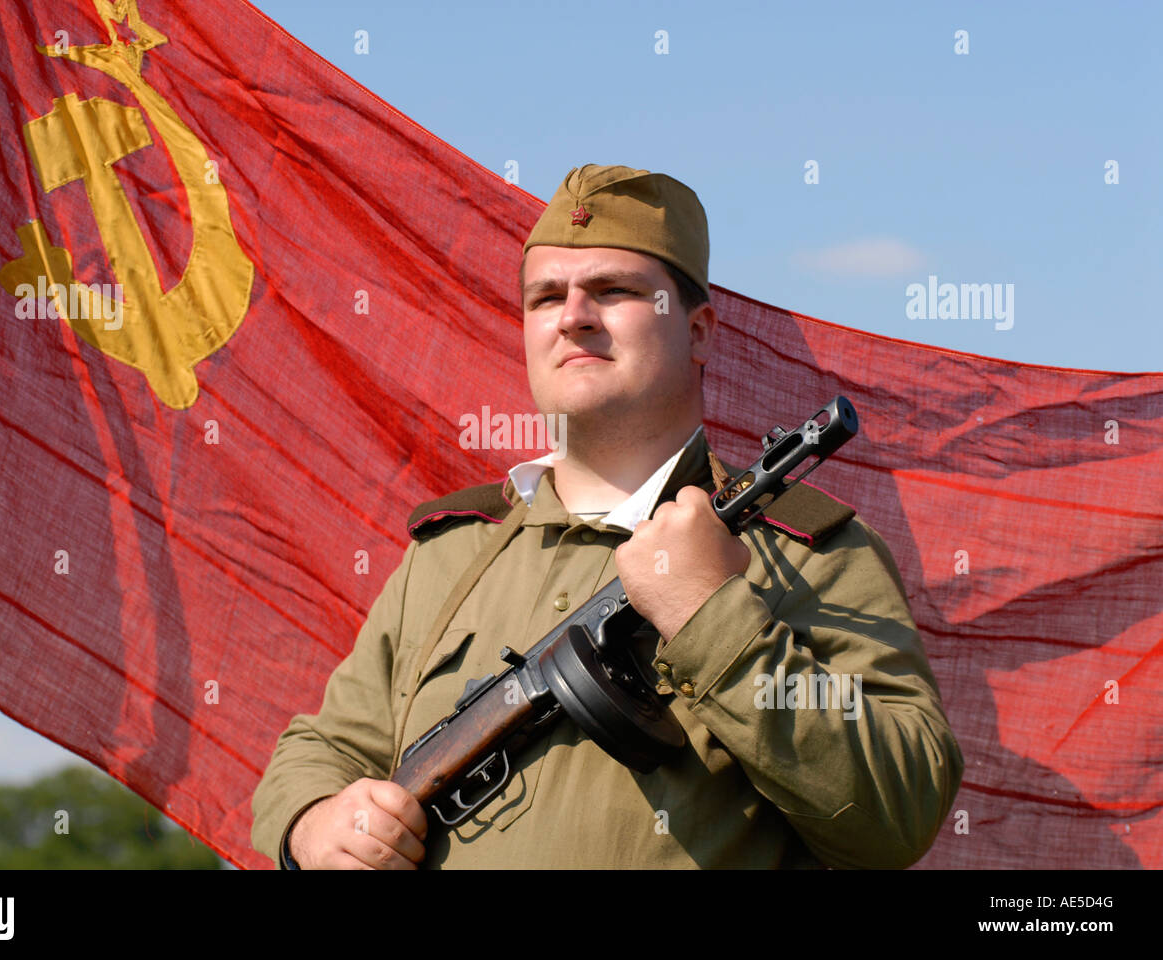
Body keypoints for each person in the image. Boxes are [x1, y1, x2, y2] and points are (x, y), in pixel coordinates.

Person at [251, 164, 963, 869]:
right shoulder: (453, 552)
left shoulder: (806, 552)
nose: (573, 317)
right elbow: (322, 749)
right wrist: (316, 825)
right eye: (545, 297)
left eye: (614, 290)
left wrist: (711, 617)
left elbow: (896, 816)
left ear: (700, 332)